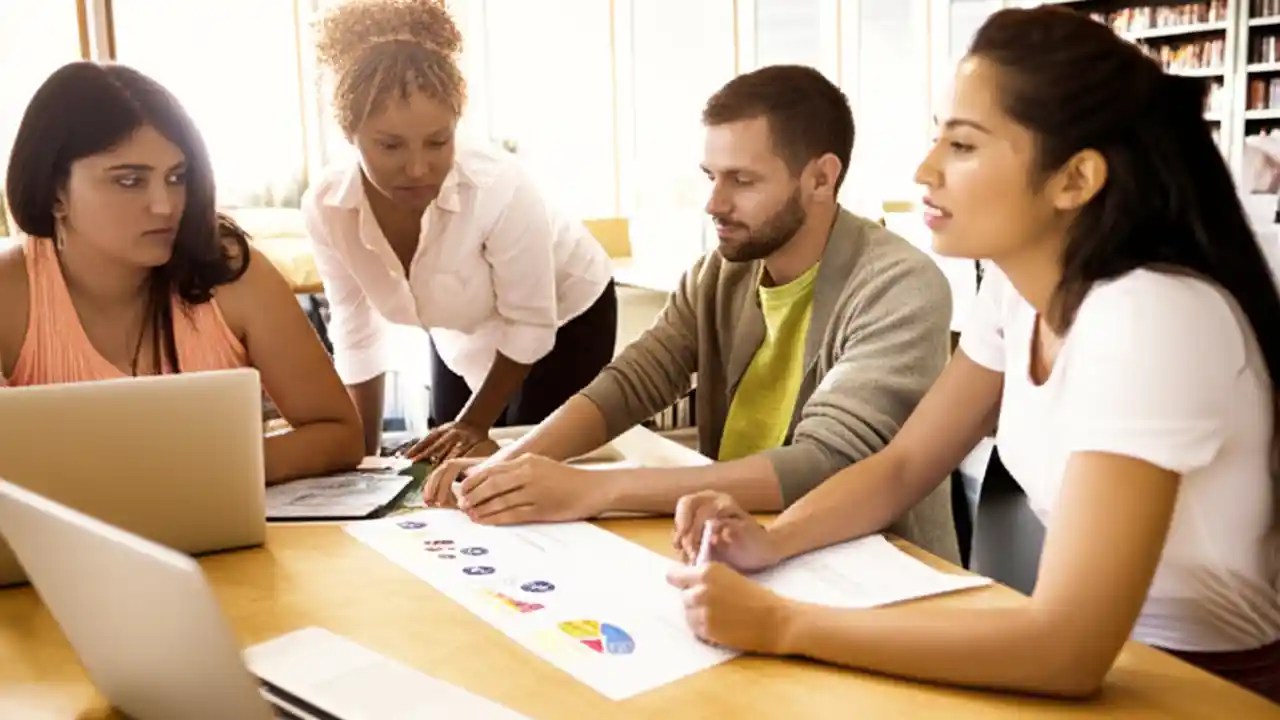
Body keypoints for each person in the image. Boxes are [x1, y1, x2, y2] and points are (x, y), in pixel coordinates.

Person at [667, 6, 1280, 702]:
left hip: (1205, 687)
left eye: (962, 145)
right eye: (938, 137)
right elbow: (902, 468)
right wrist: (774, 541)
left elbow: (1067, 651)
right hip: (1111, 663)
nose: (926, 169)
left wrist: (782, 623)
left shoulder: (1151, 314)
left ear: (1074, 180)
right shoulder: (1017, 292)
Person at [427, 64, 959, 562]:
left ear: (821, 179)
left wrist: (596, 489)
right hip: (740, 547)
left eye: (742, 181)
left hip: (870, 567)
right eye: (711, 177)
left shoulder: (899, 286)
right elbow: (633, 382)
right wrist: (510, 465)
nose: (714, 203)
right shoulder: (720, 273)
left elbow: (824, 464)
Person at [0, 62, 364, 485]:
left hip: (221, 523)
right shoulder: (10, 293)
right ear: (56, 193)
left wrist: (205, 470)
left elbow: (340, 434)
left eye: (176, 177)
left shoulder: (231, 274)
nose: (165, 205)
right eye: (129, 181)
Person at [303, 0, 617, 461]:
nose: (417, 168)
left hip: (567, 316)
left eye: (438, 141)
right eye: (390, 146)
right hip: (459, 322)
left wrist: (473, 423)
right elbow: (357, 332)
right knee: (444, 461)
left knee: (526, 464)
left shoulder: (496, 186)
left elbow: (530, 322)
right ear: (351, 134)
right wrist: (362, 462)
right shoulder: (328, 206)